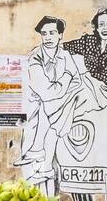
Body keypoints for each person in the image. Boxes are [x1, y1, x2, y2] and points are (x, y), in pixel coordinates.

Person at [14, 15, 83, 189]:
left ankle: (41, 156)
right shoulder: (34, 58)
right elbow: (46, 92)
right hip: (35, 119)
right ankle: (36, 151)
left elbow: (78, 82)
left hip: (57, 115)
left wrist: (61, 89)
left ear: (60, 35)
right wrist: (66, 78)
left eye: (52, 33)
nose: (48, 37)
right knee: (32, 178)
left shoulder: (65, 55)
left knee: (50, 172)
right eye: (44, 34)